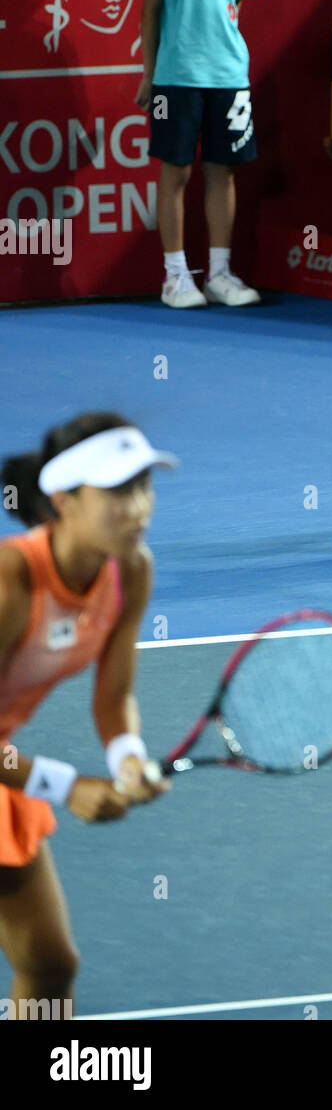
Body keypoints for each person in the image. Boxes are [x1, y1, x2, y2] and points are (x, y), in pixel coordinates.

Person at [0, 414, 173, 1018]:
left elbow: (113, 693)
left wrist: (127, 759)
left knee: (49, 965)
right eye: (119, 491)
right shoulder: (11, 580)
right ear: (63, 499)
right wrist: (66, 785)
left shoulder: (132, 570)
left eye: (145, 486)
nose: (140, 507)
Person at [135, 0, 261, 309]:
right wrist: (150, 74)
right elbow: (150, 13)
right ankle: (174, 277)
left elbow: (233, 10)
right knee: (176, 171)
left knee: (222, 171)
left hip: (230, 78)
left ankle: (220, 275)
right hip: (176, 77)